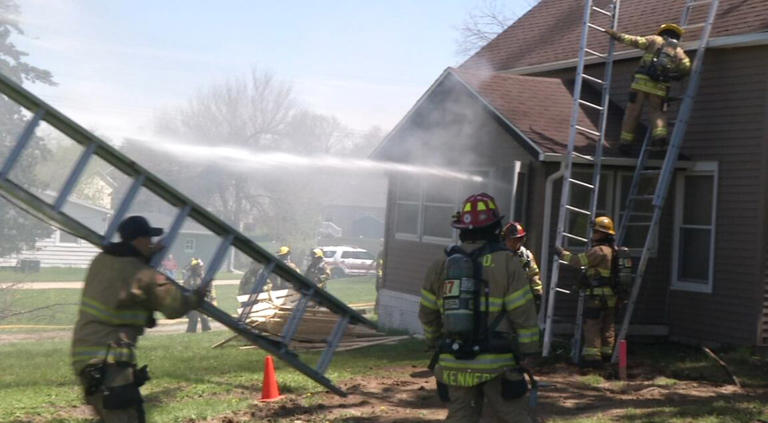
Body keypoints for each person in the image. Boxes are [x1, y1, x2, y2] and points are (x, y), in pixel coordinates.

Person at [419, 193, 540, 423]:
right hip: (498, 363)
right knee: (514, 417)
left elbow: (427, 313)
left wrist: (434, 342)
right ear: (495, 228)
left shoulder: (440, 265)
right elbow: (523, 314)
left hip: (454, 360)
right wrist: (529, 351)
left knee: (460, 417)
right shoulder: (507, 263)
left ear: (462, 228)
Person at [71, 216, 205, 422]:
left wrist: (146, 255)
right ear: (140, 240)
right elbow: (174, 307)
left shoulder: (101, 261)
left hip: (85, 356)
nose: (151, 244)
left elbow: (124, 280)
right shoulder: (141, 273)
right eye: (149, 240)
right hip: (109, 362)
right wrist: (198, 295)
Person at [604, 24, 691, 155]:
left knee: (633, 112)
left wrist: (615, 34)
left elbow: (634, 41)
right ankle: (659, 139)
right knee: (657, 112)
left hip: (640, 82)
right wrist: (674, 75)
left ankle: (625, 143)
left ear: (662, 33)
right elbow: (686, 66)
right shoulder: (678, 51)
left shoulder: (655, 40)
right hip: (660, 85)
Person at [555, 216, 617, 366]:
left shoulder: (599, 251)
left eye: (596, 231)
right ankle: (607, 355)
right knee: (608, 326)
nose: (593, 234)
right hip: (612, 297)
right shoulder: (613, 251)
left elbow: (578, 261)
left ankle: (593, 358)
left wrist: (561, 254)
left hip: (598, 297)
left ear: (603, 234)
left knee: (592, 325)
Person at [501, 222, 543, 312]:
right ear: (504, 240)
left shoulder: (526, 256)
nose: (514, 243)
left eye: (517, 240)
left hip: (522, 305)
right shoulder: (499, 255)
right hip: (502, 303)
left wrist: (537, 295)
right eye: (511, 240)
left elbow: (534, 275)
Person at [183, 258, 215, 333]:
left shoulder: (204, 277)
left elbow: (210, 288)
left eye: (200, 267)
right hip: (193, 301)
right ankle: (191, 331)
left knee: (204, 317)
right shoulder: (190, 278)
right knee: (193, 317)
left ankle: (206, 330)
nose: (200, 269)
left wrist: (210, 298)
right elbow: (186, 288)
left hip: (203, 300)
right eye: (198, 267)